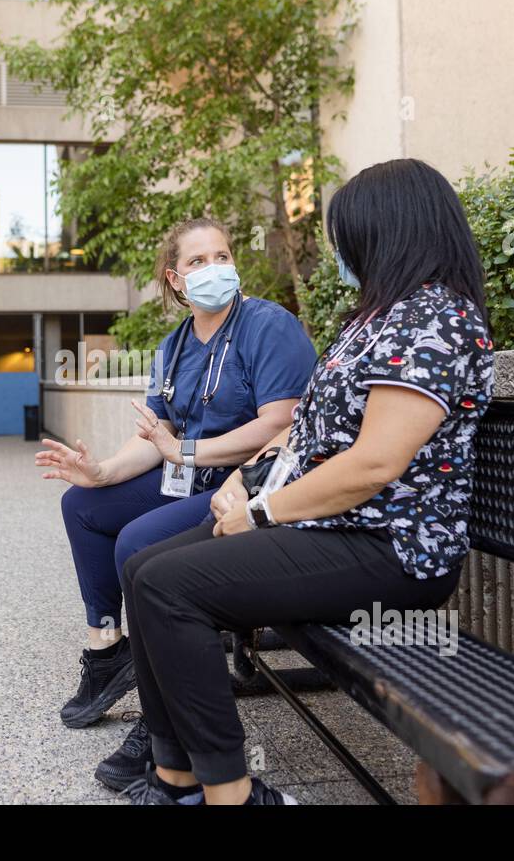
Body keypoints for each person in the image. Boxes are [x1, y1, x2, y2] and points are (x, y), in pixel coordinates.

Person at [117, 159, 496, 804]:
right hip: (330, 525)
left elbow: (375, 463)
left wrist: (263, 515)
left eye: (346, 237)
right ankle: (175, 773)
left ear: (390, 232)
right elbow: (305, 432)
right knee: (143, 568)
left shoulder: (438, 320)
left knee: (169, 586)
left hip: (390, 547)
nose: (341, 252)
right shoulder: (374, 319)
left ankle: (231, 795)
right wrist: (244, 480)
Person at [35, 217, 317, 790]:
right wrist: (100, 471)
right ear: (176, 279)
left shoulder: (270, 327)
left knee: (140, 542)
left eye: (223, 255)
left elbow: (281, 423)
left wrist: (188, 451)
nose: (215, 269)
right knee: (82, 507)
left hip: (249, 485)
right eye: (198, 262)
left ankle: (162, 718)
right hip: (190, 477)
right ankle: (109, 650)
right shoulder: (175, 346)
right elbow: (155, 436)